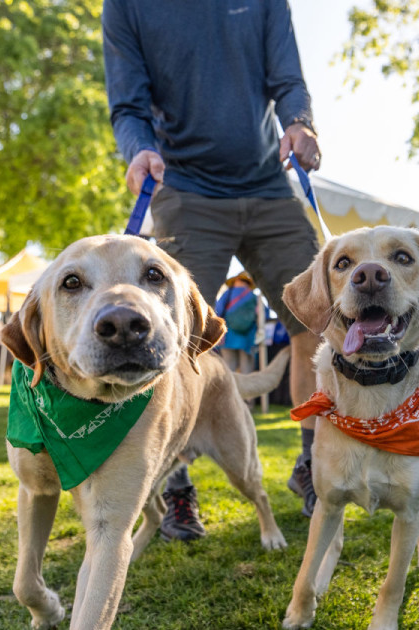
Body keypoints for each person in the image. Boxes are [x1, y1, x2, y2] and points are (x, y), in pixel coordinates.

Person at [103, 0, 324, 540]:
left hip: (269, 185)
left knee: (319, 324)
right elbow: (127, 105)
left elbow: (288, 79)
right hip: (187, 189)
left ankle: (313, 467)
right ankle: (176, 491)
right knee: (174, 341)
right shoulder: (127, 7)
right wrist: (137, 151)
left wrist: (299, 124)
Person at [214, 272, 261, 376]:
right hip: (247, 338)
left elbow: (218, 310)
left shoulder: (228, 293)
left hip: (228, 337)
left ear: (236, 280)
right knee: (247, 371)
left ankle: (230, 391)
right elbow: (263, 315)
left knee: (229, 369)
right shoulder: (253, 296)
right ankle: (247, 392)